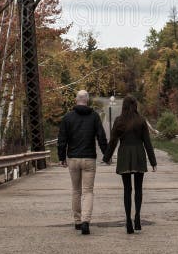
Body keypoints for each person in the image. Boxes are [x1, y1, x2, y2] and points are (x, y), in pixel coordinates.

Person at [103, 96, 157, 234]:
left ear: (124, 106)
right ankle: (137, 217)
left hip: (125, 155)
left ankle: (128, 220)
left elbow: (113, 141)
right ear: (135, 106)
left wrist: (107, 157)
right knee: (138, 189)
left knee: (127, 190)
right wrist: (153, 162)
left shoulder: (119, 121)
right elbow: (147, 142)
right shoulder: (141, 121)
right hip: (139, 154)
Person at [58, 90, 108, 235]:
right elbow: (101, 136)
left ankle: (77, 221)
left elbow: (62, 140)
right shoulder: (94, 116)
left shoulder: (67, 117)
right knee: (88, 191)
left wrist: (61, 157)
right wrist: (106, 155)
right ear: (87, 100)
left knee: (76, 190)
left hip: (73, 158)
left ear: (76, 100)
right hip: (89, 159)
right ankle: (86, 220)